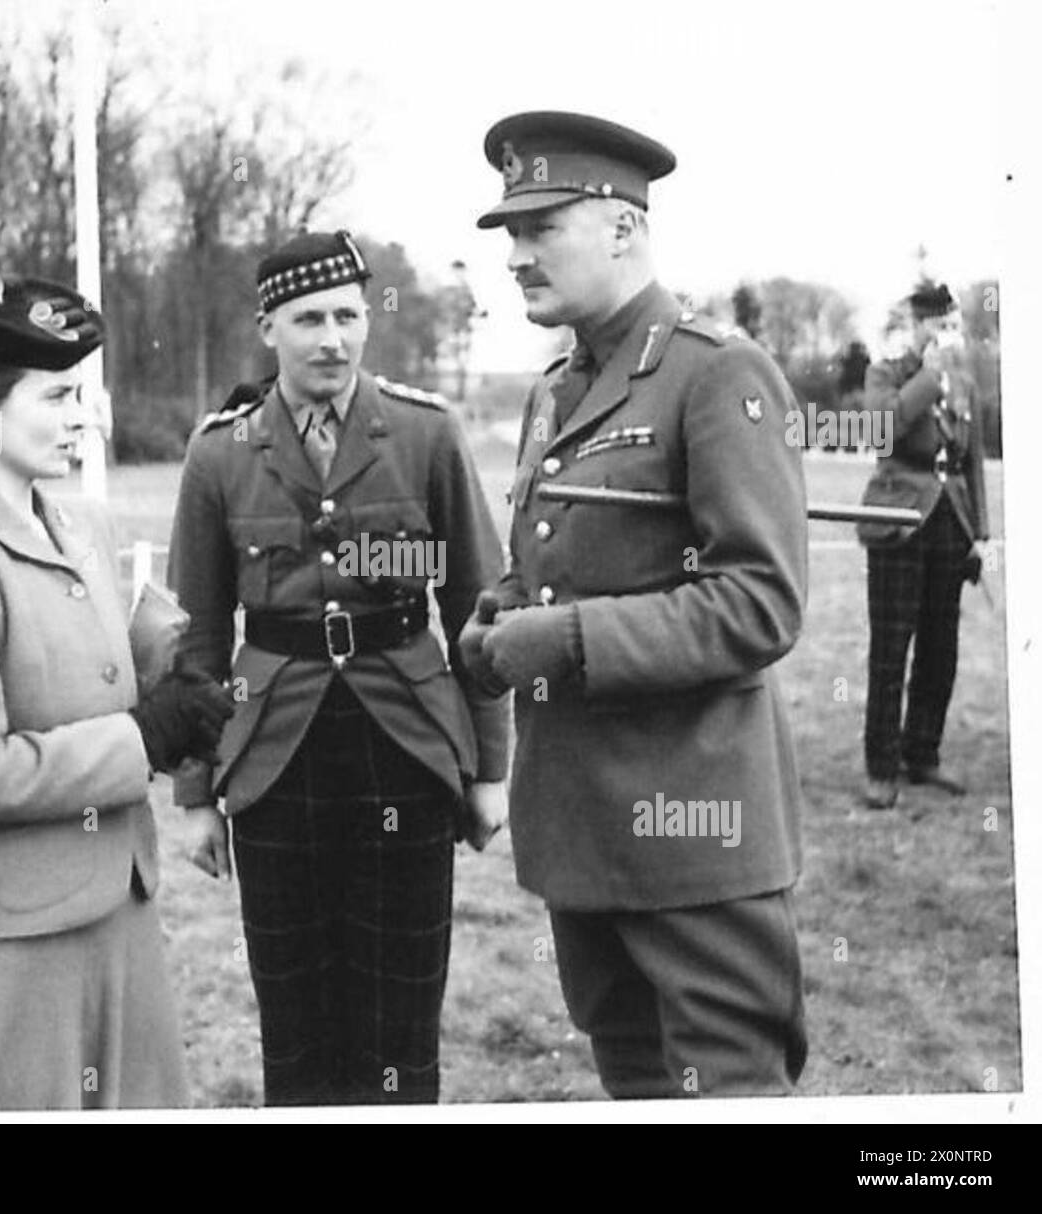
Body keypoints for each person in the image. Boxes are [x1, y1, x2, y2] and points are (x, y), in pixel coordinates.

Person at [462, 112, 810, 1098]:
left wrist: (567, 639)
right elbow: (557, 563)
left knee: (727, 1091)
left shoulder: (717, 372)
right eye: (510, 234)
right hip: (582, 831)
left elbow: (761, 602)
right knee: (635, 1087)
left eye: (541, 228)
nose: (516, 257)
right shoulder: (555, 389)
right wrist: (498, 617)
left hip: (694, 834)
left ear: (623, 227)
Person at [167, 230, 509, 1106]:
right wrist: (197, 794)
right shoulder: (220, 452)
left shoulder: (426, 434)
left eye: (348, 317)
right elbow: (196, 636)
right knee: (295, 1027)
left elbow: (478, 610)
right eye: (309, 319)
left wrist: (490, 772)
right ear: (268, 329)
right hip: (275, 757)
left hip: (407, 744)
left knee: (401, 1023)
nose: (333, 339)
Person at [0, 274, 235, 1110]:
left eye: (82, 394)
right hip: (17, 932)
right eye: (58, 396)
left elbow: (88, 686)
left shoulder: (84, 526)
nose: (85, 417)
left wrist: (166, 682)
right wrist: (144, 738)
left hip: (122, 903)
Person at [857, 279, 990, 809]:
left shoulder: (964, 382)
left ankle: (922, 754)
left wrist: (980, 534)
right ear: (916, 326)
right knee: (891, 650)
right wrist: (928, 377)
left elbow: (972, 462)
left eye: (954, 326)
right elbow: (879, 429)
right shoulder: (886, 372)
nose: (948, 336)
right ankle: (881, 767)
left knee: (940, 649)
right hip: (899, 517)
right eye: (939, 326)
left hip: (950, 522)